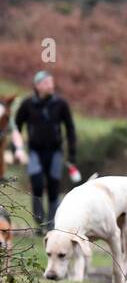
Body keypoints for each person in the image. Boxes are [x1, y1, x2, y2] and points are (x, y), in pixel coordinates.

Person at [12, 71, 80, 231]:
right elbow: (16, 126)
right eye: (46, 82)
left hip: (55, 152)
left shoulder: (61, 104)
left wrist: (72, 154)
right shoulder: (27, 104)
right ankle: (39, 221)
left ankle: (51, 223)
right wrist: (16, 148)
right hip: (35, 152)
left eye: (52, 82)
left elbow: (70, 129)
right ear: (37, 86)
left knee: (53, 187)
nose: (51, 85)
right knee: (37, 185)